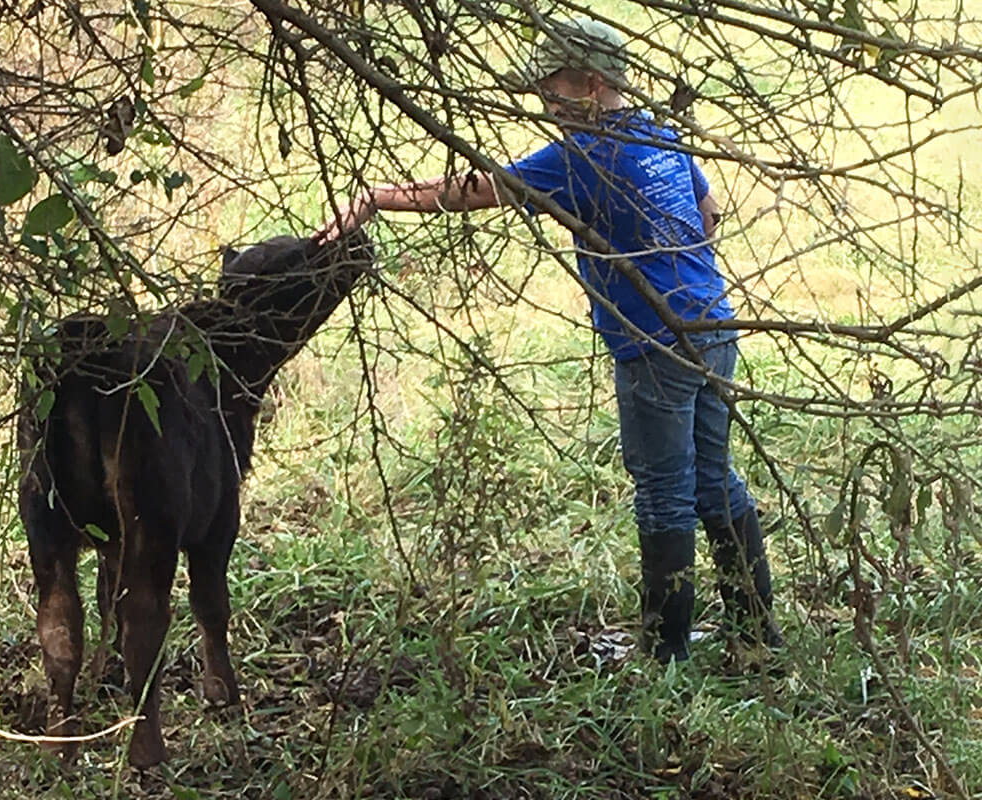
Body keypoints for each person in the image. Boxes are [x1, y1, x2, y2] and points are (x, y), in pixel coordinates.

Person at [317, 16, 782, 664]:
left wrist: (380, 198)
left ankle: (666, 655)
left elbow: (481, 188)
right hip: (712, 326)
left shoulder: (581, 157)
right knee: (715, 482)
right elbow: (707, 216)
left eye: (551, 88)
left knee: (663, 491)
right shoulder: (660, 134)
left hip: (653, 347)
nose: (544, 102)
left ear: (591, 85)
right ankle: (758, 637)